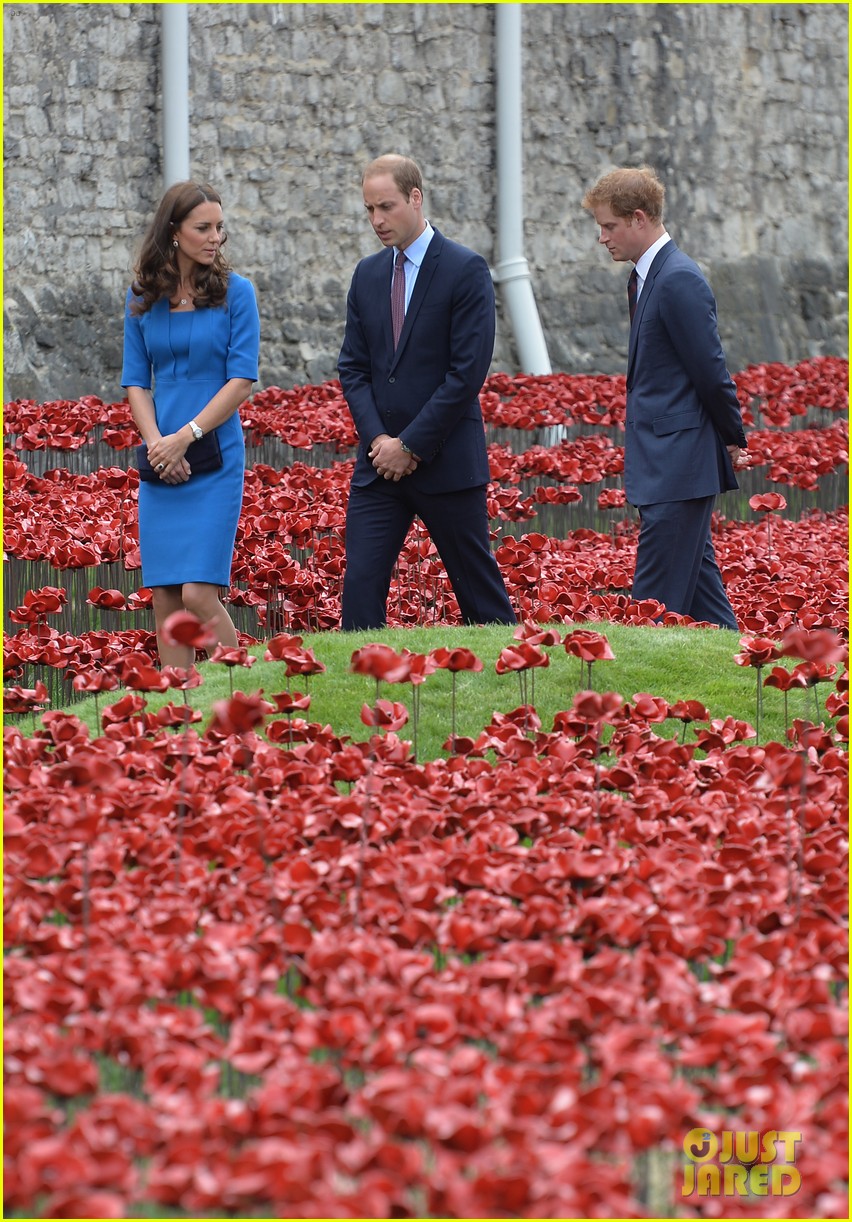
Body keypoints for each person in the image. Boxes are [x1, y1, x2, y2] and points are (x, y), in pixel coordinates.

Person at [337, 153, 516, 630]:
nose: (377, 220)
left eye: (387, 207)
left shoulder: (465, 269)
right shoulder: (368, 274)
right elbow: (353, 369)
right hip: (379, 471)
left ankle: (517, 682)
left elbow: (465, 374)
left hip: (447, 466)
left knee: (481, 599)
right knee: (359, 590)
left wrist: (410, 446)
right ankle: (358, 690)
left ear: (416, 198)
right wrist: (380, 443)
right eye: (369, 209)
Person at [582, 165, 749, 630]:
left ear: (639, 219)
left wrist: (732, 435)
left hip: (680, 464)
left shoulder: (677, 278)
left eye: (609, 226)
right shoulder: (645, 277)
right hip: (670, 464)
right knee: (706, 603)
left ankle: (634, 698)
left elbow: (710, 372)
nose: (602, 238)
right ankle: (740, 665)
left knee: (651, 608)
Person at [121, 181, 260, 667]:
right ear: (174, 233)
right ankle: (175, 714)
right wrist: (159, 443)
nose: (215, 237)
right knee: (164, 597)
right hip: (162, 459)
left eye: (220, 227)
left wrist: (186, 437)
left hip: (215, 456)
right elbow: (136, 383)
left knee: (198, 593)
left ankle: (245, 691)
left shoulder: (237, 293)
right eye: (204, 227)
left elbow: (242, 380)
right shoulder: (141, 297)